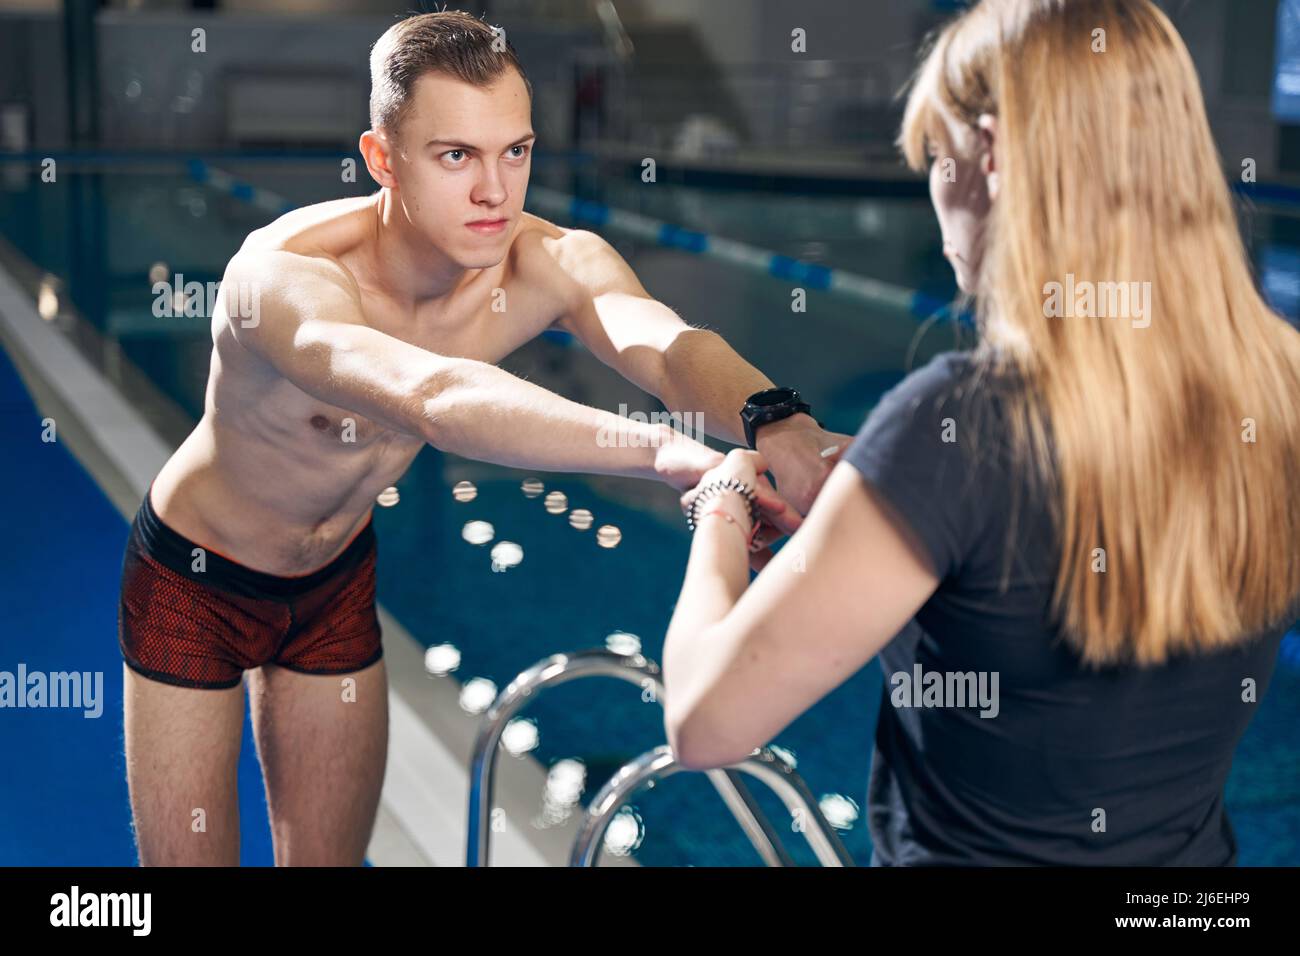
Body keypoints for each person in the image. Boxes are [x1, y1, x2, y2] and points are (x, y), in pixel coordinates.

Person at [119, 10, 843, 866]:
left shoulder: (547, 262)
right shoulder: (282, 278)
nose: (496, 193)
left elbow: (667, 345)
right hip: (197, 584)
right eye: (456, 156)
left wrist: (779, 420)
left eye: (516, 152)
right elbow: (432, 395)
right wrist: (659, 450)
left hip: (336, 583)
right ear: (383, 158)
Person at [661, 0, 1300, 865]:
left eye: (937, 154)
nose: (934, 188)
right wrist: (895, 502)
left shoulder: (958, 424)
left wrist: (726, 507)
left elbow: (704, 720)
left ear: (991, 155)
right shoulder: (1281, 382)